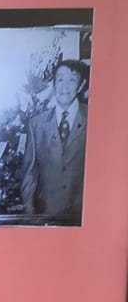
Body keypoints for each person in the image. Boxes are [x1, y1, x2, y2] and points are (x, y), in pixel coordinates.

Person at [20, 58, 89, 223]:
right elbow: (29, 173)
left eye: (72, 80)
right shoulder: (36, 124)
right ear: (53, 84)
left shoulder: (95, 119)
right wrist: (29, 211)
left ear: (81, 85)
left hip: (82, 217)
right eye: (60, 80)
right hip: (46, 215)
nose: (64, 87)